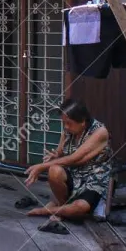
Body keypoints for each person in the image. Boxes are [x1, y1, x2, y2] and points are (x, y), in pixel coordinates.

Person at [23, 99, 112, 233]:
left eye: (69, 123)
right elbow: (60, 153)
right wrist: (54, 157)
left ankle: (46, 210)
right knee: (54, 170)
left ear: (82, 121)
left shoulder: (100, 132)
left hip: (93, 180)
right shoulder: (69, 130)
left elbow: (75, 158)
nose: (65, 127)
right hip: (74, 176)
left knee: (81, 208)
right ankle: (63, 206)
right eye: (64, 123)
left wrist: (41, 166)